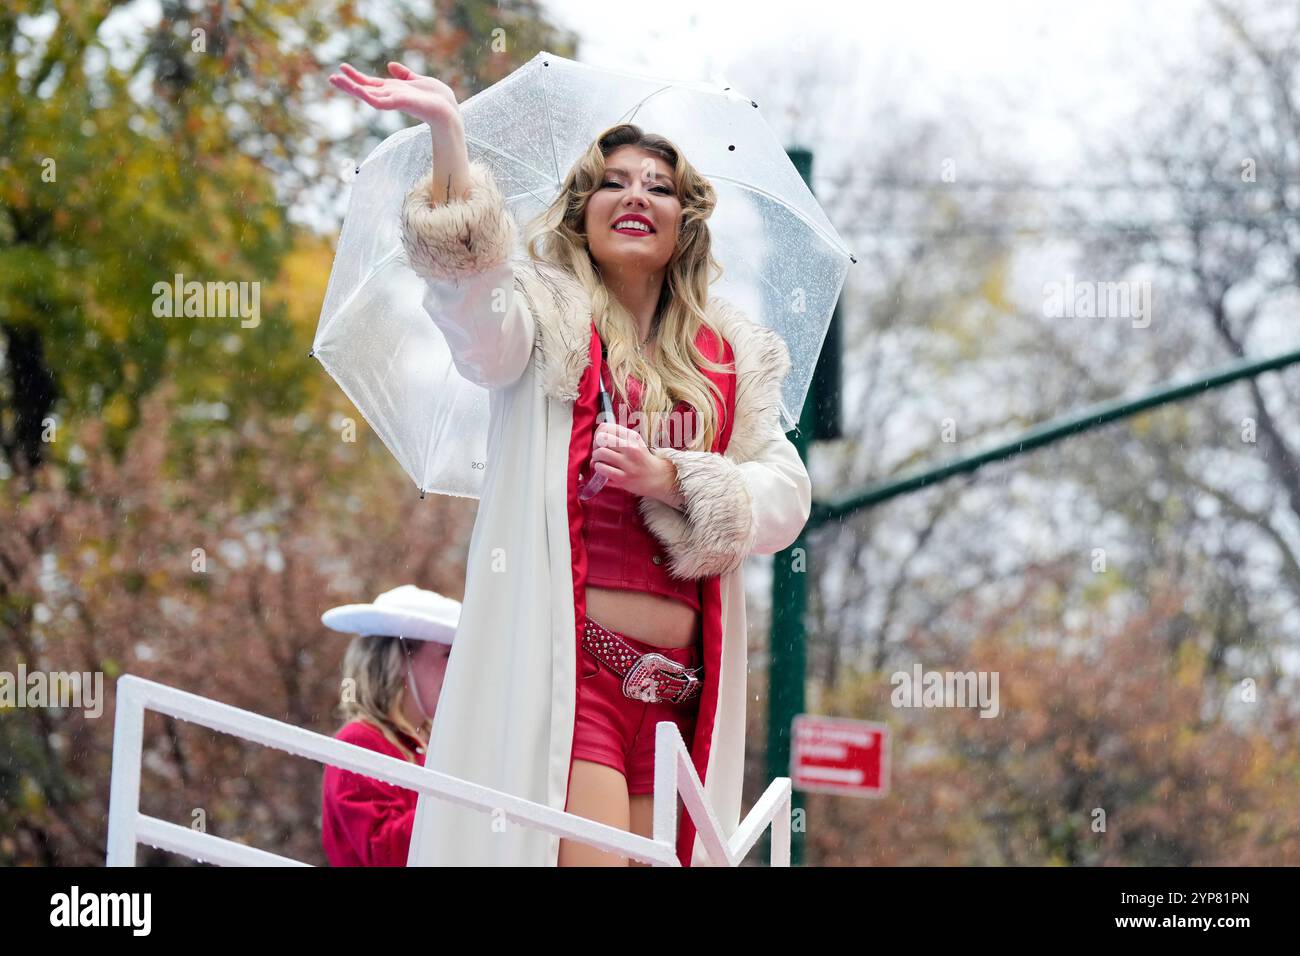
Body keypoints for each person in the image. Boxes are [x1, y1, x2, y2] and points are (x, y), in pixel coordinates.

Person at [329, 62, 811, 867]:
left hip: (681, 694)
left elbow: (786, 497)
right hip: (572, 675)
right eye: (612, 184)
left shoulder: (735, 357)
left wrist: (672, 479)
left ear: (683, 223)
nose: (635, 197)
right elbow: (476, 321)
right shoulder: (542, 320)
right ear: (582, 212)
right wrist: (450, 138)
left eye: (658, 187)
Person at [319, 585, 458, 867]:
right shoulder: (358, 741)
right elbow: (387, 853)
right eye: (447, 654)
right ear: (401, 660)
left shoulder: (429, 743)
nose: (459, 667)